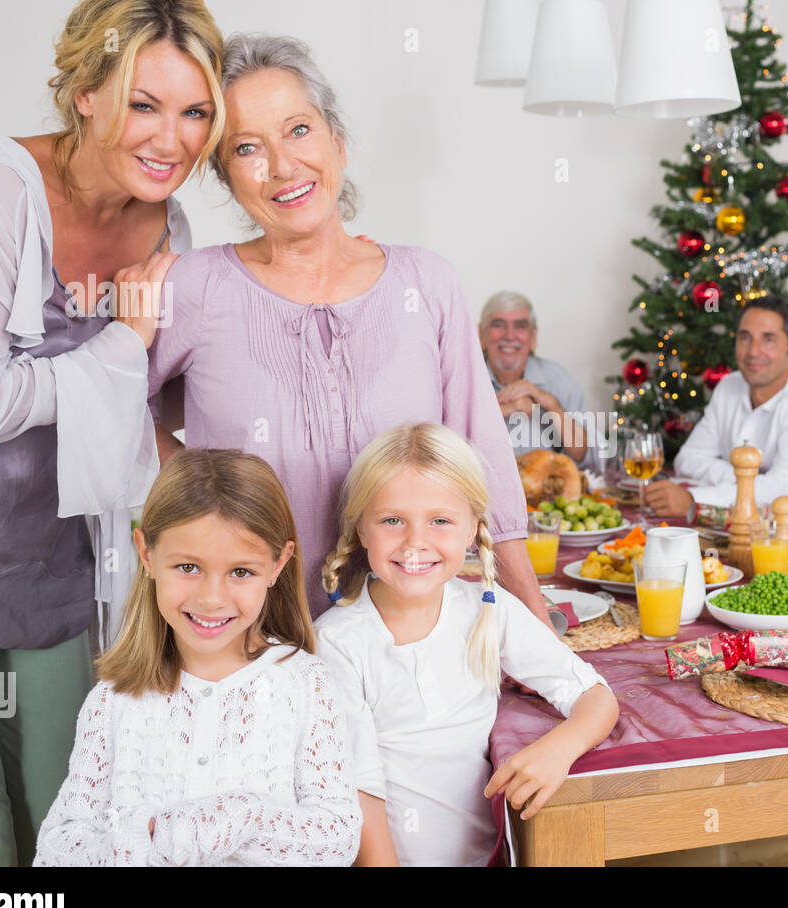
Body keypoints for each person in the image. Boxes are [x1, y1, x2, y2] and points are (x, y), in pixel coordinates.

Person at [0, 0, 225, 867]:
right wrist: (120, 343)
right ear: (86, 92)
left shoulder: (172, 230)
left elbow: (150, 416)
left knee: (66, 830)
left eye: (195, 111)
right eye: (144, 103)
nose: (173, 138)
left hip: (63, 577)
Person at [147, 34, 548, 624]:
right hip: (253, 639)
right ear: (225, 175)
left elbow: (484, 463)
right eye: (247, 147)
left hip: (407, 641)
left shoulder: (427, 282)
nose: (282, 165)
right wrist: (203, 490)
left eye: (299, 130)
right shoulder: (195, 286)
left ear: (338, 141)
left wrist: (535, 622)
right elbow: (110, 409)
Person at [34, 449, 363, 865]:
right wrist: (140, 842)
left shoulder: (305, 683)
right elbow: (58, 845)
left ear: (278, 564)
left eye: (241, 572)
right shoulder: (113, 699)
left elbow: (337, 838)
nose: (211, 598)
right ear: (147, 555)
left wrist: (238, 816)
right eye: (188, 567)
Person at [314, 423, 619, 866]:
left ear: (473, 529)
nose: (416, 542)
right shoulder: (338, 643)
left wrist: (558, 749)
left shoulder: (488, 610)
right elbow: (361, 793)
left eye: (440, 521)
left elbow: (595, 696)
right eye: (392, 520)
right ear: (361, 528)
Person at [643, 295, 788, 535]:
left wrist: (696, 499)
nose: (753, 351)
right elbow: (689, 459)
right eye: (745, 338)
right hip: (740, 532)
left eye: (768, 340)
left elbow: (784, 491)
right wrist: (745, 479)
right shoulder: (729, 386)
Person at [480, 290, 591, 463]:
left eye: (520, 326)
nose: (509, 335)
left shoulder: (557, 379)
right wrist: (506, 409)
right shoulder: (464, 379)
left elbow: (583, 455)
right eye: (499, 325)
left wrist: (552, 405)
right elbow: (447, 450)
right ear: (482, 335)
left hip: (547, 488)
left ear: (533, 337)